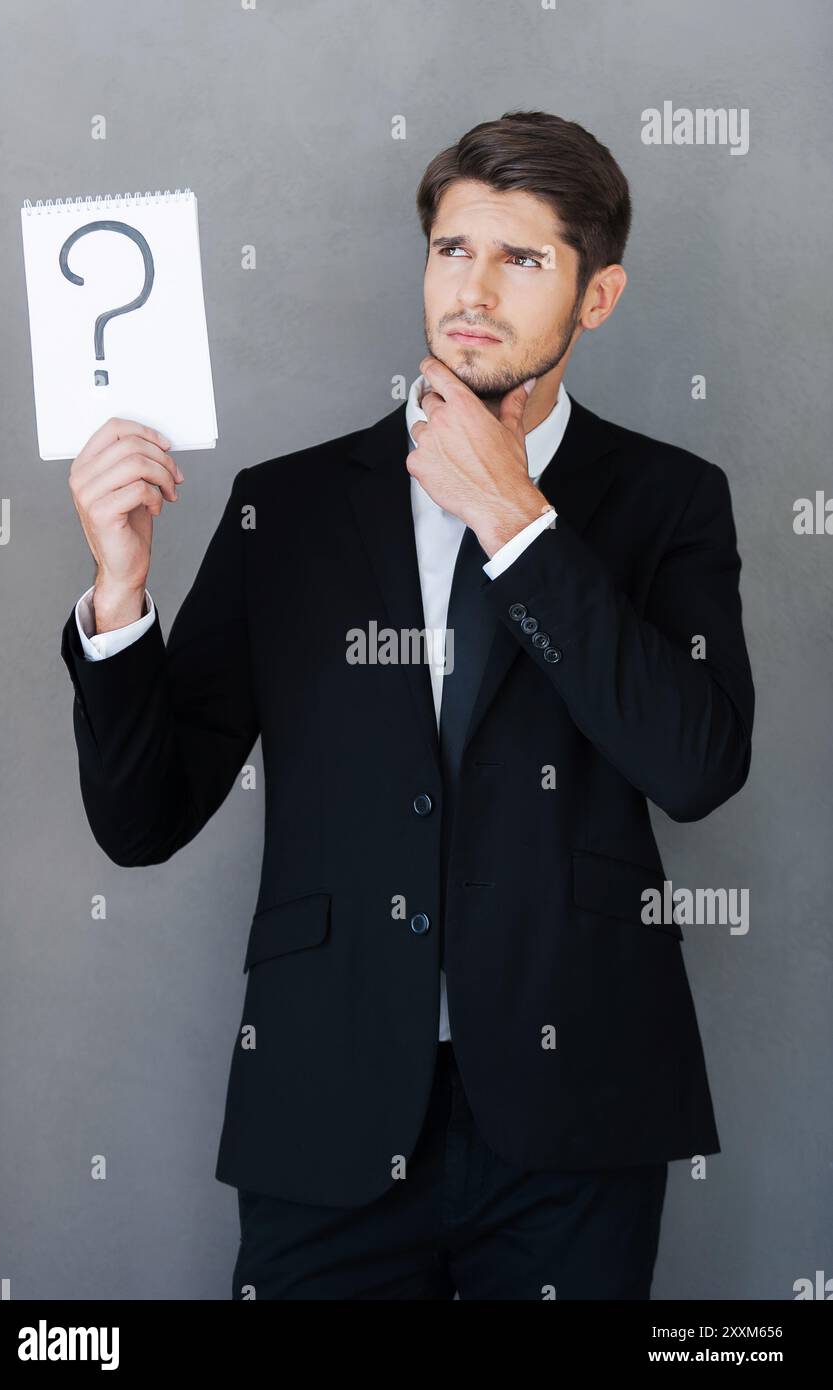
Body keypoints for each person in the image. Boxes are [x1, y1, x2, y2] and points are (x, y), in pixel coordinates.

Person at [60, 110, 755, 1299]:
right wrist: (121, 596)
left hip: (575, 1118)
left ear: (598, 296)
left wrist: (516, 525)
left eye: (521, 259)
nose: (472, 290)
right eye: (450, 249)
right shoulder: (288, 508)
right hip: (324, 1109)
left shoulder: (669, 501)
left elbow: (694, 765)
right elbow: (143, 820)